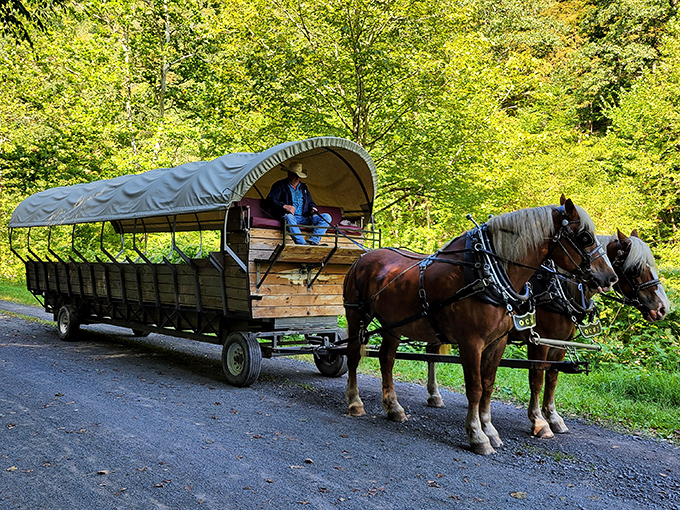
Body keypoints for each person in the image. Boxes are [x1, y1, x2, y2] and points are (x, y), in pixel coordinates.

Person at [266, 161, 332, 245]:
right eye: (293, 175)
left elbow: (310, 202)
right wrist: (284, 206)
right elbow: (269, 200)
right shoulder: (280, 185)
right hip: (290, 217)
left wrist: (313, 208)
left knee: (327, 217)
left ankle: (313, 241)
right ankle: (302, 244)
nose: (295, 178)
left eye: (297, 176)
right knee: (289, 217)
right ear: (289, 173)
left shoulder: (303, 188)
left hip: (304, 217)